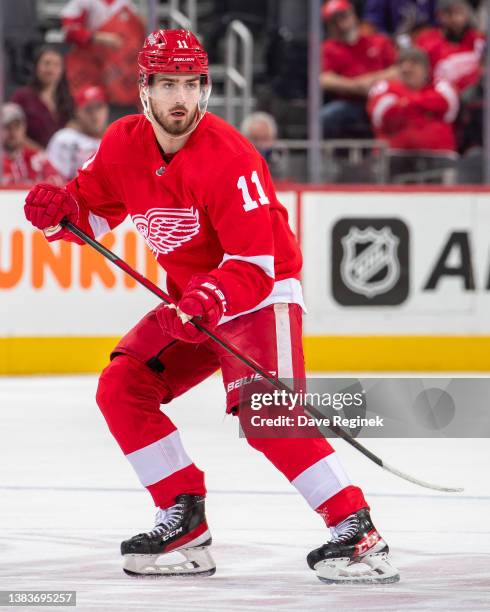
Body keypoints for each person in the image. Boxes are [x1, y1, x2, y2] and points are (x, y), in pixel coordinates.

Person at [23, 29, 399, 584]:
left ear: (206, 89)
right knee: (123, 385)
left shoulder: (231, 158)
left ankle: (357, 530)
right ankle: (184, 518)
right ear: (144, 89)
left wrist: (210, 295)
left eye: (191, 85)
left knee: (265, 414)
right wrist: (64, 209)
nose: (181, 99)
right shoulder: (124, 143)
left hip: (259, 293)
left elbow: (255, 265)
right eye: (167, 84)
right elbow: (95, 215)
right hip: (193, 301)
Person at [367, 47, 459, 180]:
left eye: (413, 63)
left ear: (427, 69)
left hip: (439, 156)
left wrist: (404, 102)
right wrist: (425, 108)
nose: (406, 68)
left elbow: (449, 107)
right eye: (402, 64)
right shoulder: (384, 87)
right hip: (393, 156)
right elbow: (380, 116)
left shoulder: (442, 86)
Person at [320, 0, 398, 138]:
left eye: (343, 16)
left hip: (381, 98)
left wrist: (370, 81)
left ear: (353, 14)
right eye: (334, 21)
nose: (340, 24)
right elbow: (324, 79)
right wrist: (355, 85)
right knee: (324, 118)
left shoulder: (378, 41)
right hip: (350, 102)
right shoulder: (328, 48)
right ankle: (328, 159)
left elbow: (398, 70)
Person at [61, 0, 145, 112]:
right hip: (89, 65)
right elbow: (69, 31)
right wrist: (99, 37)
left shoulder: (125, 4)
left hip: (116, 67)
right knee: (89, 107)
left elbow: (138, 32)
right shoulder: (83, 2)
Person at [416, 0, 485, 92]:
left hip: (474, 97)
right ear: (439, 15)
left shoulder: (478, 40)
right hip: (437, 95)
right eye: (449, 13)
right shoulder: (426, 42)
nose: (456, 19)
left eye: (459, 13)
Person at [11, 46, 73, 149]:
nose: (51, 69)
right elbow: (13, 131)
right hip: (30, 158)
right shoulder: (22, 96)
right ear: (36, 67)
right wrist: (41, 154)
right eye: (46, 63)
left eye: (56, 65)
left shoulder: (67, 99)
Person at [47, 85, 109, 181]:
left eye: (99, 107)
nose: (95, 114)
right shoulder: (65, 138)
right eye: (88, 109)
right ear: (77, 112)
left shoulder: (116, 140)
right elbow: (56, 179)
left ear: (106, 110)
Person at [1, 103, 63, 186]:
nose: (13, 132)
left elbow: (58, 185)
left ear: (24, 127)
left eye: (17, 126)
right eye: (7, 127)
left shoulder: (37, 159)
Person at [240, 111, 287, 178]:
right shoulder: (240, 159)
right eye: (255, 139)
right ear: (245, 140)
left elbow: (281, 177)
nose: (260, 144)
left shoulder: (280, 153)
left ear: (273, 139)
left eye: (265, 139)